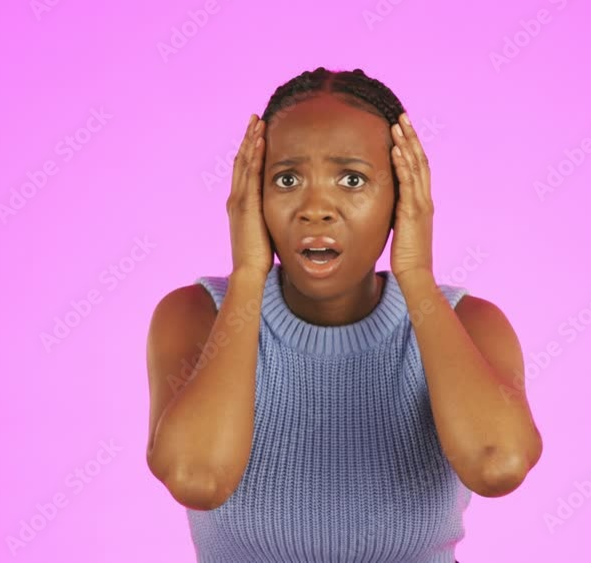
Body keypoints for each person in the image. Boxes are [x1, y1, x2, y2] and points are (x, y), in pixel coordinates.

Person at [145, 67, 543, 562]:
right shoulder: (196, 315)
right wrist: (248, 272)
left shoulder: (470, 324)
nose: (316, 208)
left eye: (351, 179)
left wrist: (416, 272)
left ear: (401, 196)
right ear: (254, 195)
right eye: (286, 179)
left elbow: (498, 465)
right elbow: (197, 477)